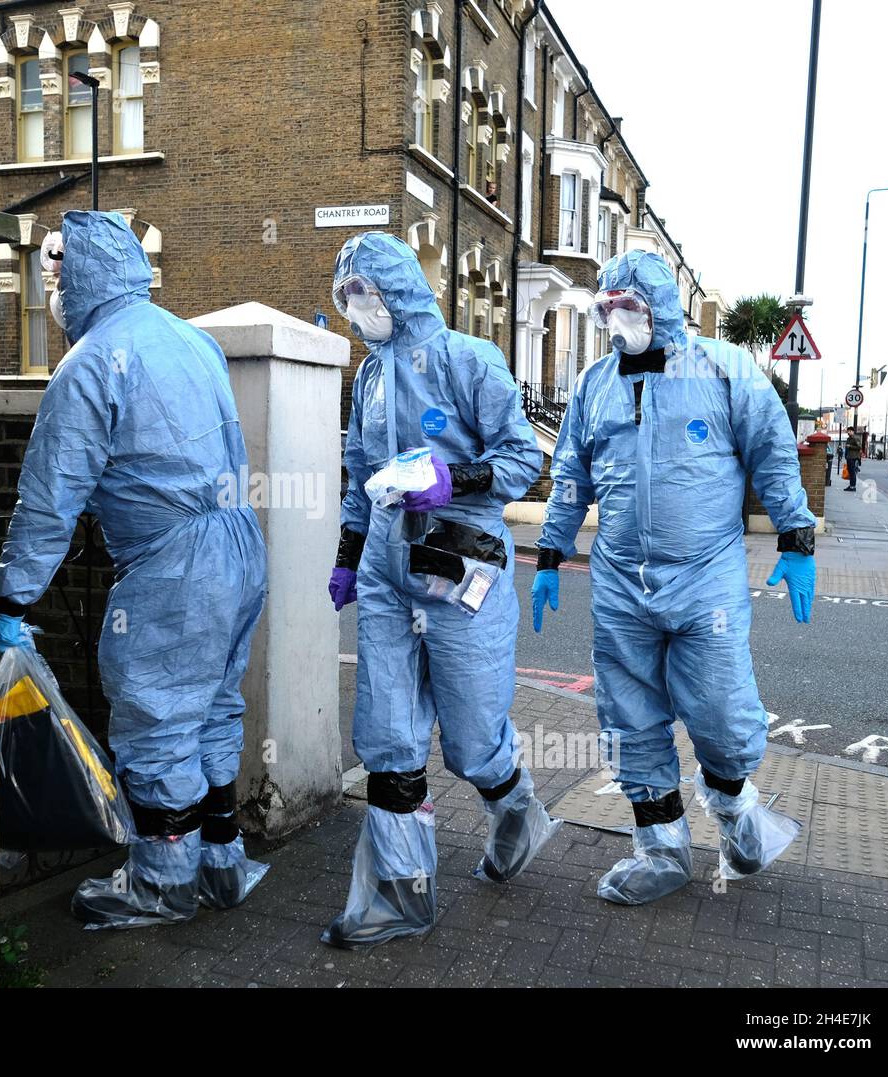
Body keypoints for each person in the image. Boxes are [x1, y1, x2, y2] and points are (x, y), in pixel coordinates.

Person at [0, 211, 269, 928]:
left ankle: (163, 882)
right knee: (212, 708)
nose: (52, 286)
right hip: (239, 544)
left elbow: (50, 497)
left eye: (57, 272)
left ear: (83, 276)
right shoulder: (191, 338)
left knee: (157, 719)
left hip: (173, 563)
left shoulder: (88, 364)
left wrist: (12, 599)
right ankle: (222, 860)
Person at [531, 250, 814, 905]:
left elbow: (772, 452)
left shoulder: (723, 369)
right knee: (628, 720)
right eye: (607, 308)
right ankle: (660, 850)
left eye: (627, 306)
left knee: (718, 709)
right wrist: (550, 551)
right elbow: (570, 474)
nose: (615, 319)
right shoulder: (596, 383)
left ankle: (739, 813)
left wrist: (797, 536)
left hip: (706, 577)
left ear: (659, 306)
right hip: (621, 585)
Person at [324, 231, 558, 948]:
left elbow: (522, 455)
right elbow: (361, 480)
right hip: (390, 575)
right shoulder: (367, 378)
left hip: (463, 569)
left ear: (396, 290)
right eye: (347, 299)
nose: (357, 310)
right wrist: (348, 553)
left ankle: (513, 803)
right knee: (388, 736)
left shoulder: (468, 359)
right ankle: (399, 896)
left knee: (469, 738)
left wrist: (456, 480)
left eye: (364, 294)